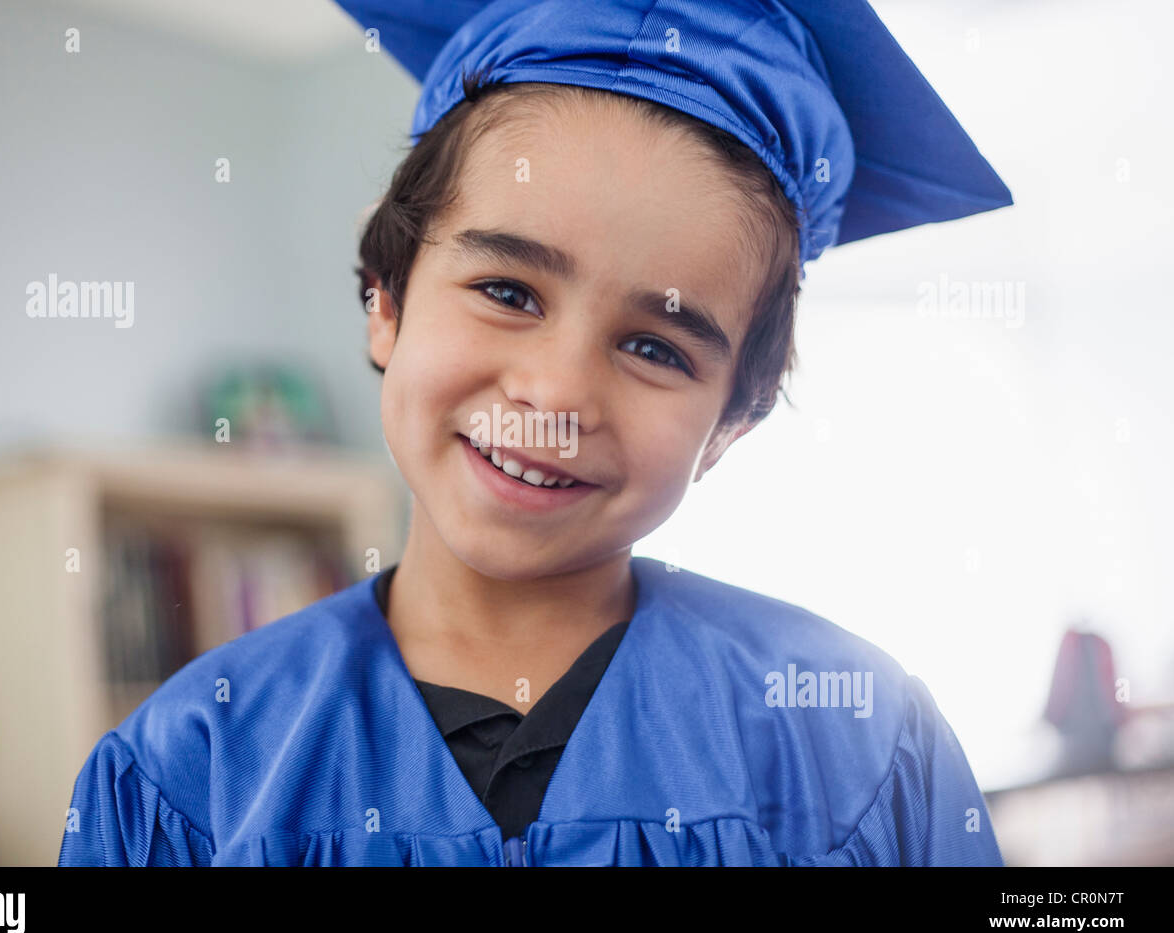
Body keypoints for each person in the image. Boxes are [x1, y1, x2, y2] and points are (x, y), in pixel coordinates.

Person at [59, 0, 1011, 866]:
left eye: (654, 346)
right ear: (384, 301)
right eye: (508, 292)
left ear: (730, 425)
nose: (556, 394)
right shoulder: (190, 773)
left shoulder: (858, 743)